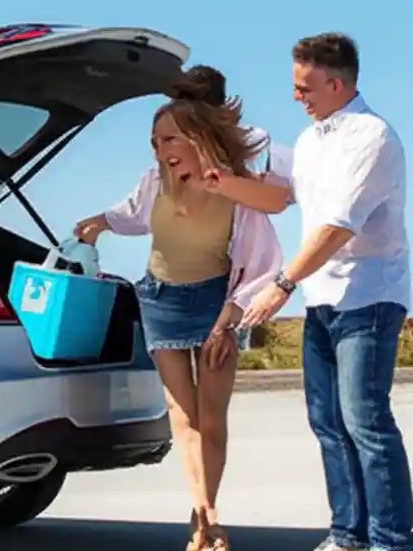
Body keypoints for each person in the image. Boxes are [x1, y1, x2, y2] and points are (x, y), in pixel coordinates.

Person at [74, 65, 291, 551]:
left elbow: (261, 262)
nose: (159, 149)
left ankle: (206, 513)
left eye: (168, 139)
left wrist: (229, 318)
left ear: (194, 137)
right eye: (154, 141)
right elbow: (130, 215)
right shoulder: (153, 181)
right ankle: (204, 517)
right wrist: (98, 223)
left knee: (212, 418)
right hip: (161, 299)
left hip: (218, 301)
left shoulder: (235, 187)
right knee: (183, 415)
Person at [240, 33, 413, 551]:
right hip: (322, 300)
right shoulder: (312, 141)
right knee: (328, 424)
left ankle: (389, 540)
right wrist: (217, 183)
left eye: (304, 86)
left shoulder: (372, 137)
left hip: (369, 297)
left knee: (366, 421)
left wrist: (280, 284)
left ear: (336, 83)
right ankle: (348, 535)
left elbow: (338, 225)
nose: (297, 96)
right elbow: (280, 197)